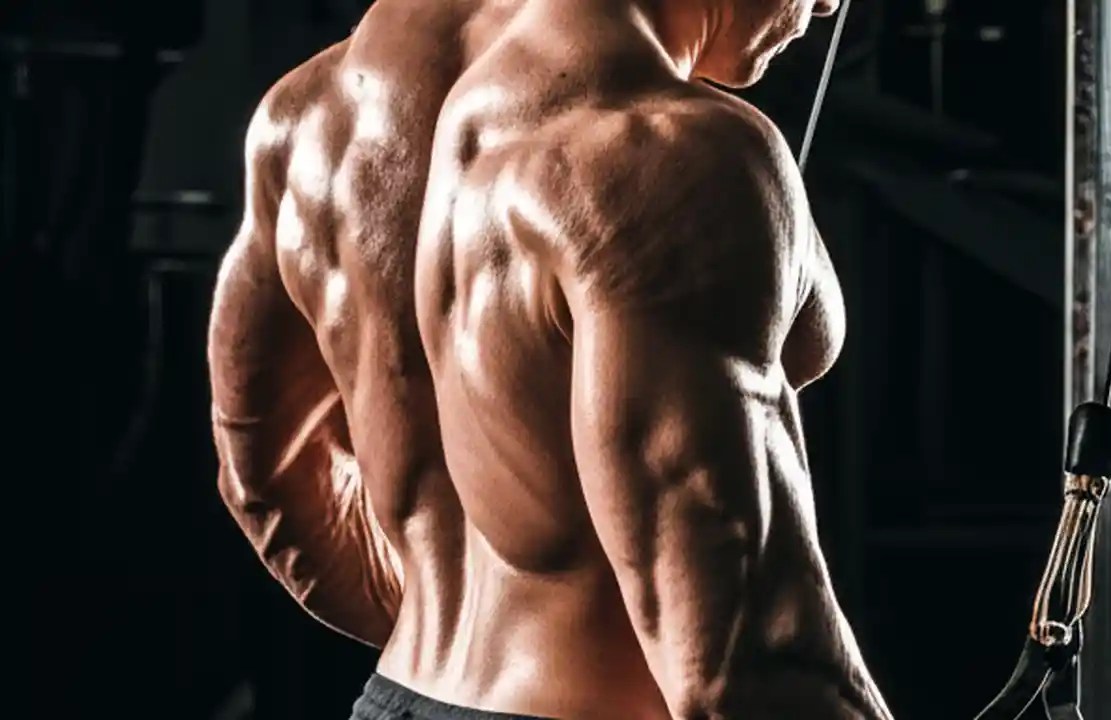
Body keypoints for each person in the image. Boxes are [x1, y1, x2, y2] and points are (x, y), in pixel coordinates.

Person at [208, 0, 892, 717]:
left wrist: (475, 646)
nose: (827, 5)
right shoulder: (664, 150)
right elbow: (749, 671)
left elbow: (271, 482)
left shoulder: (309, 115)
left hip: (401, 695)